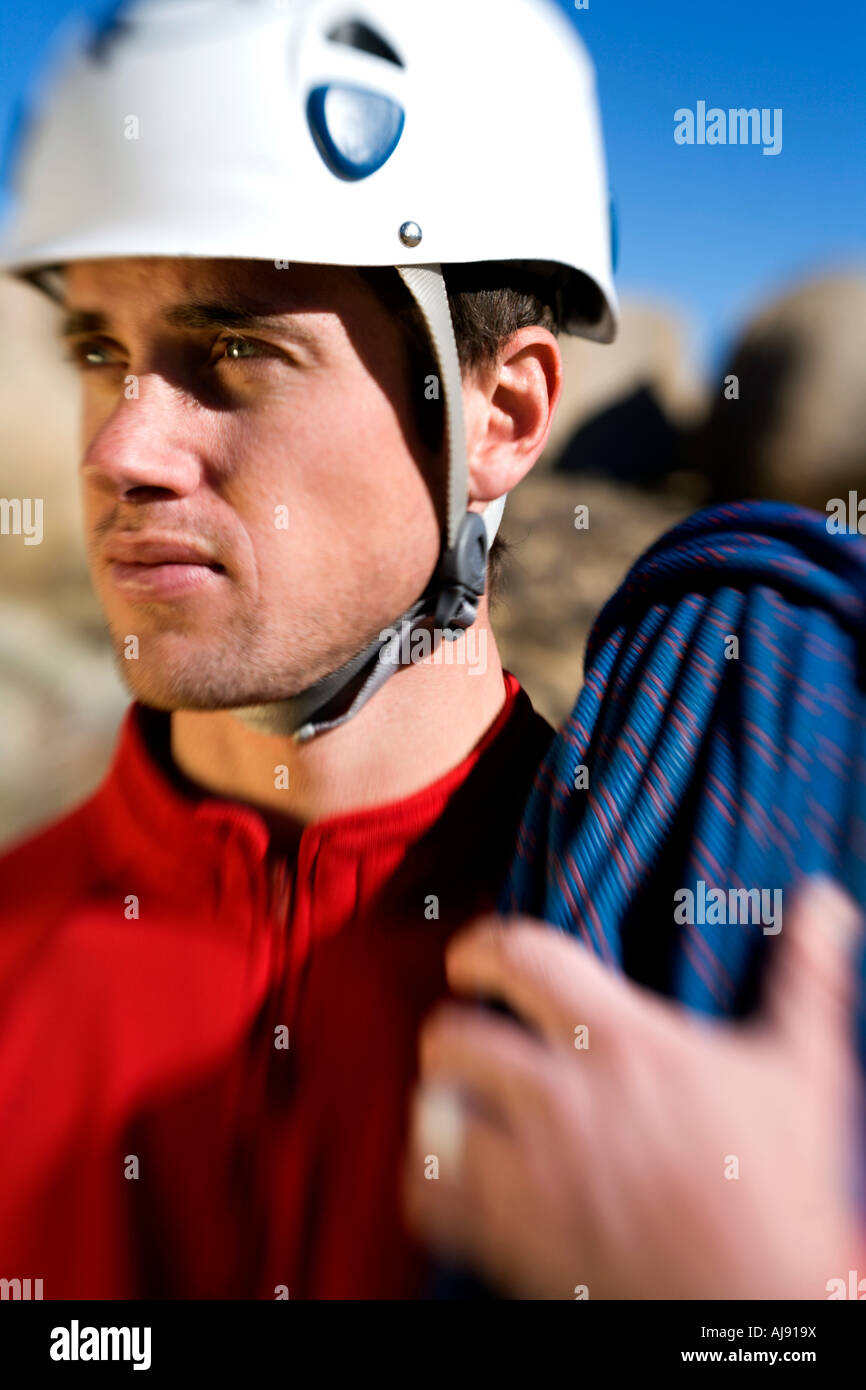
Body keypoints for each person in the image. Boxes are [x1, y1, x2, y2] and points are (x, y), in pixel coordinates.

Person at [0, 0, 862, 1301]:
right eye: (96, 348)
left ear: (502, 418)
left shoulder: (756, 1014)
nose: (120, 448)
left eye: (234, 349)